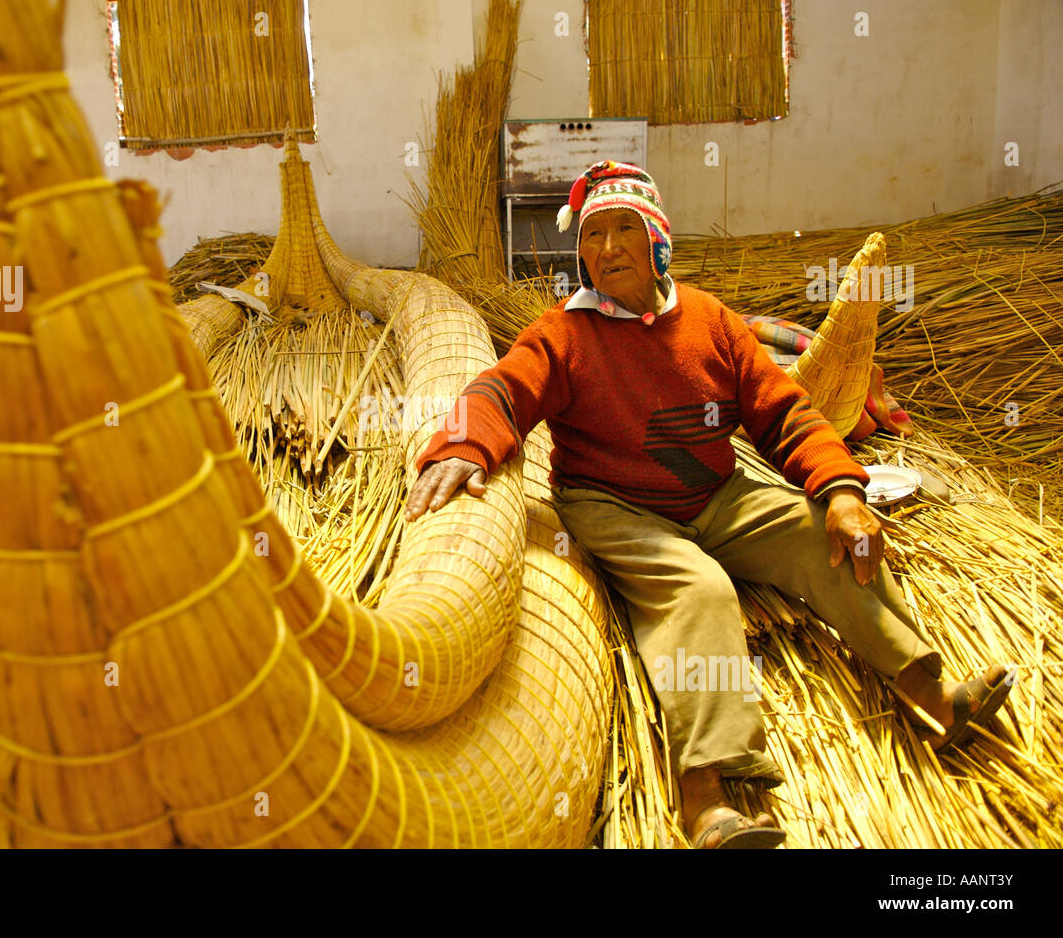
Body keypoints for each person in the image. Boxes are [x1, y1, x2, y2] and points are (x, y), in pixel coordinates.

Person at [404, 160, 1016, 849]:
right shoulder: (565, 334)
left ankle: (930, 693)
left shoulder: (709, 321)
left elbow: (785, 415)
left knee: (822, 532)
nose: (606, 249)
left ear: (658, 239)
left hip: (718, 493)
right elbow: (501, 393)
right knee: (700, 591)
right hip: (615, 505)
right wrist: (463, 446)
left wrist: (843, 491)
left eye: (623, 230)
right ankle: (706, 794)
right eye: (593, 235)